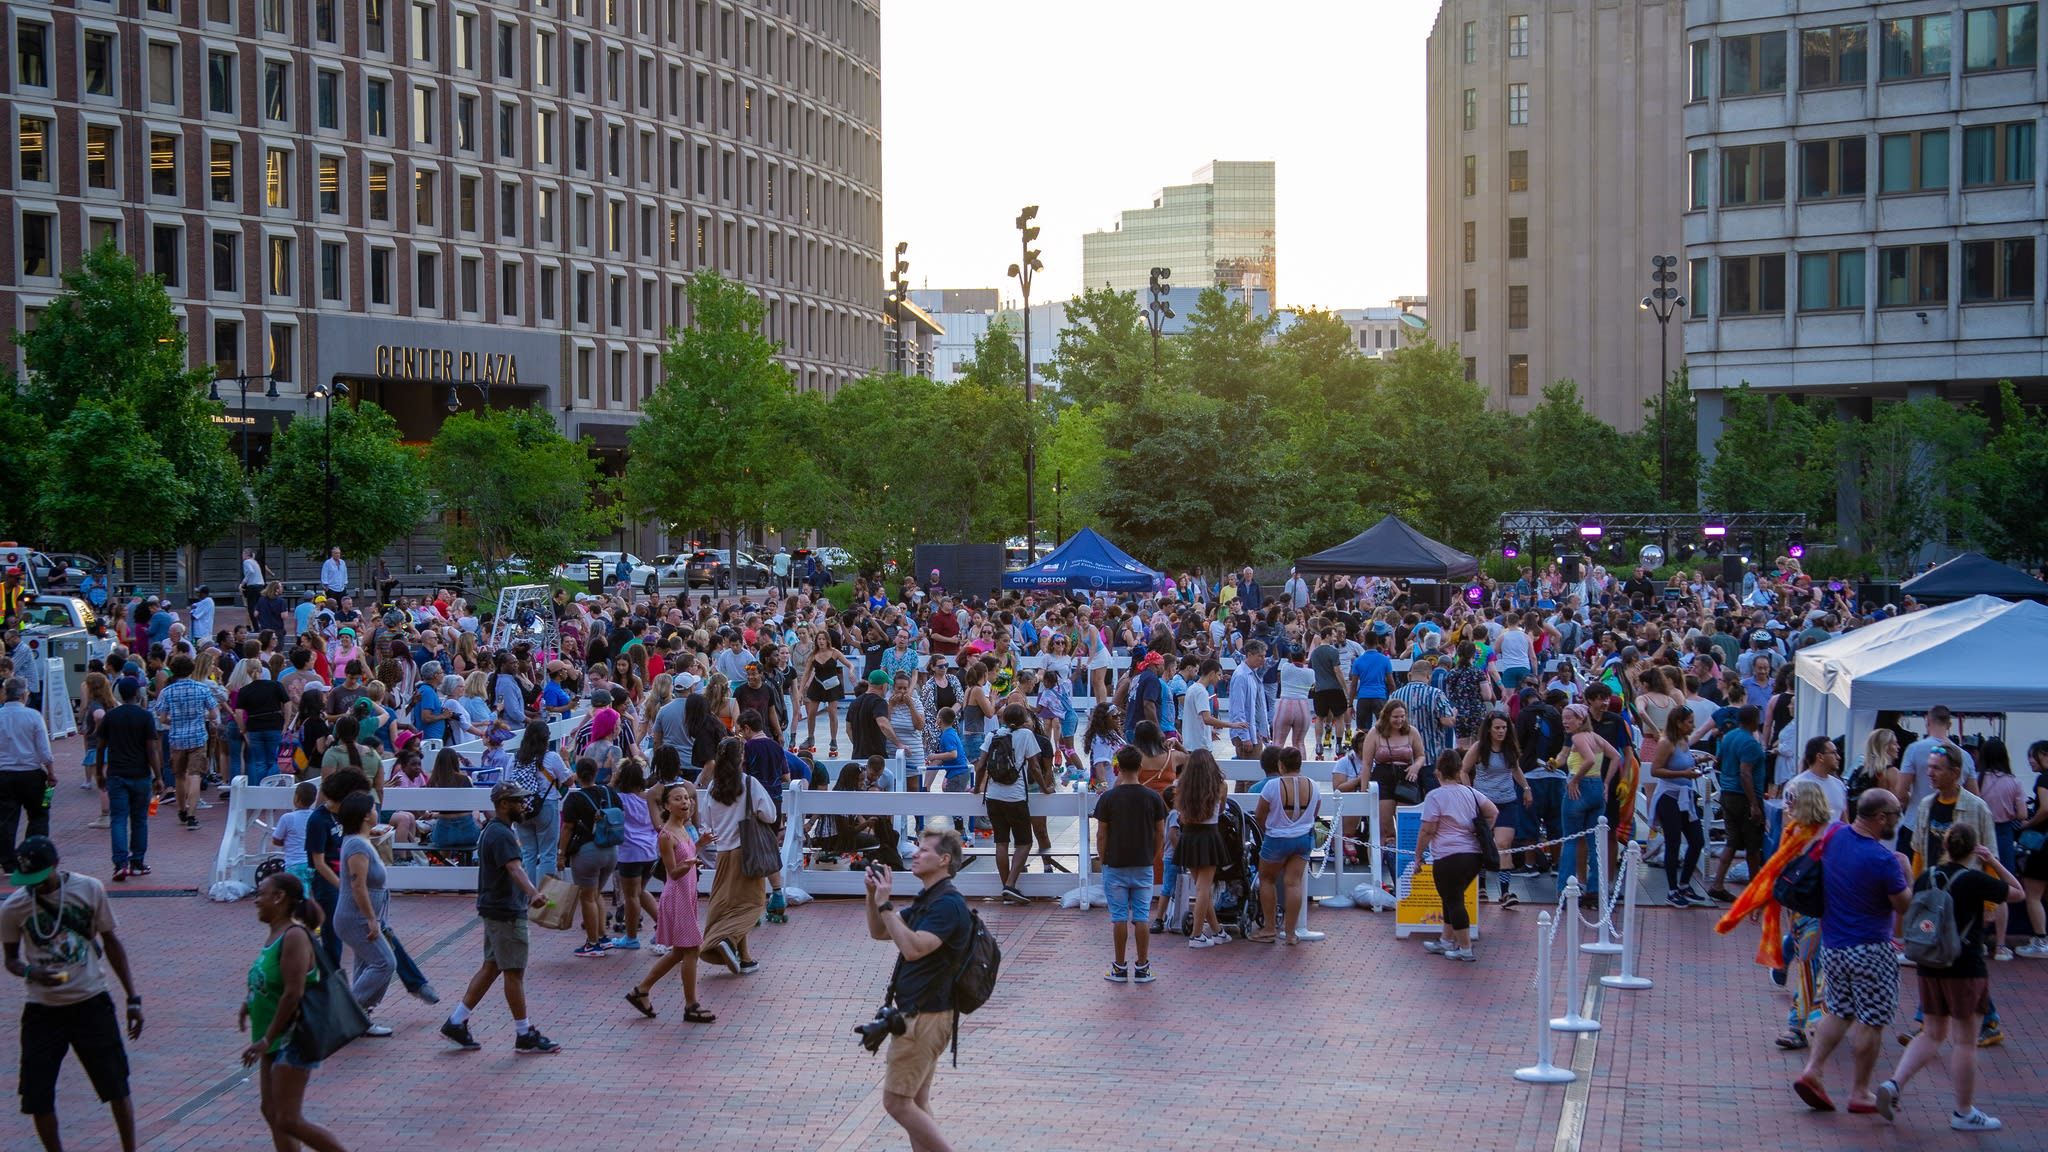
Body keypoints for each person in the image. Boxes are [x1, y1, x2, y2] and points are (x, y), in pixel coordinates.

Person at [1875, 823, 2023, 1131]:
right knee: (1965, 1042)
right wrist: (1993, 861)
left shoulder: (1928, 875)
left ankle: (1894, 1083)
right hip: (1965, 967)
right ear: (1973, 849)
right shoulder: (1975, 880)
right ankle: (1963, 1111)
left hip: (1930, 962)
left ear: (1945, 846)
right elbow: (2018, 893)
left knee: (1931, 1032)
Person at [2, 837, 144, 1152]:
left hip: (91, 1001)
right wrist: (30, 972)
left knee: (116, 1085)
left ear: (55, 865)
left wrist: (133, 999)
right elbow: (10, 959)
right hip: (42, 1008)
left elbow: (111, 942)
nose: (34, 887)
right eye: (28, 881)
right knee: (37, 1094)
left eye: (40, 879)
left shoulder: (89, 889)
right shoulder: (14, 907)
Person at [1794, 790, 1911, 1116]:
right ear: (1881, 818)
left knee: (1840, 1011)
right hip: (1871, 948)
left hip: (1835, 946)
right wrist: (1907, 875)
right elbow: (1904, 906)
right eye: (1895, 815)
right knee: (1872, 1022)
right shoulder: (1884, 860)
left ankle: (1813, 1069)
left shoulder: (1834, 835)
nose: (1896, 822)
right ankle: (1860, 1091)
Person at [864, 829, 972, 1152]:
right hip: (920, 1012)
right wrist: (873, 897)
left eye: (923, 850)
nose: (915, 853)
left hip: (926, 1016)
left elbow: (913, 949)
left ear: (944, 860)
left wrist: (885, 906)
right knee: (916, 1101)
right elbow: (880, 931)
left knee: (896, 1102)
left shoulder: (948, 905)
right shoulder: (929, 900)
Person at [440, 782, 559, 1053]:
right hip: (506, 911)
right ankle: (524, 1033)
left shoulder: (493, 830)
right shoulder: (502, 834)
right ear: (504, 804)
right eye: (518, 801)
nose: (523, 805)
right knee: (514, 971)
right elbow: (515, 868)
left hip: (494, 908)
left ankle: (457, 1021)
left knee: (492, 966)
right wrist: (533, 894)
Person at [1716, 778, 1834, 1051]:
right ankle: (1815, 1019)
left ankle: (1798, 1026)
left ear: (1807, 802)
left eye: (1792, 799)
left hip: (1820, 914)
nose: (1787, 804)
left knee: (1810, 969)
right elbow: (1776, 871)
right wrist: (1761, 902)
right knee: (1811, 967)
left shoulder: (1829, 836)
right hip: (1798, 913)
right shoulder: (1793, 832)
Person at [238, 868, 347, 1152]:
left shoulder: (294, 935)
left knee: (287, 1118)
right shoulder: (275, 934)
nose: (255, 900)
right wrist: (248, 1004)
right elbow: (271, 980)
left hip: (292, 1037)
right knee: (272, 1112)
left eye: (260, 894)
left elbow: (293, 991)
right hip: (273, 1037)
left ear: (279, 897)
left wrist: (266, 1038)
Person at [624, 781, 714, 1023]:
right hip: (678, 896)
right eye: (678, 799)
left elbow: (687, 853)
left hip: (688, 895)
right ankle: (691, 1004)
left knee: (679, 952)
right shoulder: (666, 835)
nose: (685, 802)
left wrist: (699, 846)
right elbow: (672, 872)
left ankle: (641, 990)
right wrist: (686, 865)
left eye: (686, 798)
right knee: (691, 949)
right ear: (666, 805)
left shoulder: (684, 830)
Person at [698, 736, 774, 976]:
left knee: (728, 904)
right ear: (741, 757)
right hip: (747, 852)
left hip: (723, 854)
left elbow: (706, 821)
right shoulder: (749, 783)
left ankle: (744, 956)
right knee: (752, 904)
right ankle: (726, 939)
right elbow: (769, 814)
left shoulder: (713, 787)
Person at [1414, 750, 1497, 961]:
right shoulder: (1470, 792)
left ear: (1438, 773)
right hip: (1473, 855)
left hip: (1448, 854)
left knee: (1454, 900)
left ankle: (1465, 947)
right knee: (1452, 897)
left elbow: (1428, 830)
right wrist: (1481, 831)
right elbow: (1493, 811)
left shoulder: (1435, 796)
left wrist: (1418, 855)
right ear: (1460, 771)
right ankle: (1446, 940)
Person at [1096, 745, 1168, 983]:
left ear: (1118, 768)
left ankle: (1118, 966)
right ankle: (1142, 966)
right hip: (1143, 862)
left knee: (1118, 917)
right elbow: (1160, 833)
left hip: (1115, 863)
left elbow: (1101, 834)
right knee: (1141, 916)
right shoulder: (1153, 798)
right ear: (1140, 767)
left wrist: (1103, 857)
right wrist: (1152, 854)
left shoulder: (1108, 798)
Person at [332, 793, 398, 1036]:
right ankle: (347, 1012)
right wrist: (371, 919)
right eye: (373, 808)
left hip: (361, 916)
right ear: (364, 815)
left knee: (366, 964)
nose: (376, 811)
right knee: (384, 962)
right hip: (355, 917)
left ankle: (361, 1018)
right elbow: (357, 885)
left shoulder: (360, 840)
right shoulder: (357, 845)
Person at [975, 702, 1043, 905]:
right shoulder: (1026, 735)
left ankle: (1006, 889)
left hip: (994, 796)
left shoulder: (992, 735)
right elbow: (1035, 767)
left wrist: (977, 787)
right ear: (1023, 720)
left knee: (1001, 842)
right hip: (1015, 796)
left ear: (1003, 719)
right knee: (1025, 842)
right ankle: (1010, 885)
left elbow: (980, 765)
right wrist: (1046, 788)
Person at [1251, 746, 1319, 944]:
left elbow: (1260, 814)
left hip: (1277, 838)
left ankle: (1269, 928)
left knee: (1267, 879)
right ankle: (1290, 934)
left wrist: (1266, 830)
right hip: (1303, 838)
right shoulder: (1313, 785)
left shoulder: (1273, 786)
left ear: (1281, 765)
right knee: (1294, 882)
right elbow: (1315, 811)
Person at [1648, 708, 1711, 907]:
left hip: (1685, 797)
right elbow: (1655, 770)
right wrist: (1683, 773)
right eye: (1690, 722)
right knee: (1673, 842)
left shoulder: (1684, 741)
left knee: (1697, 840)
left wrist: (1700, 760)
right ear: (1678, 723)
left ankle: (1684, 884)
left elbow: (1685, 761)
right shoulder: (1666, 742)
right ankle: (1672, 889)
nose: (1693, 726)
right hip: (1669, 798)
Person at [558, 756, 621, 958]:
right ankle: (602, 937)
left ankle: (592, 943)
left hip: (587, 851)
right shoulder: (609, 792)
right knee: (596, 894)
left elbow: (567, 828)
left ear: (577, 775)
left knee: (588, 897)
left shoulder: (574, 799)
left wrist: (561, 853)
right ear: (595, 772)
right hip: (611, 850)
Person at [1463, 713, 1527, 907]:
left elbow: (1515, 769)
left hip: (1507, 801)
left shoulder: (1510, 749)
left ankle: (1505, 892)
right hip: (1484, 802)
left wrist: (1526, 788)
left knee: (1503, 844)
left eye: (1504, 728)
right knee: (1483, 844)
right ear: (1489, 729)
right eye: (1497, 728)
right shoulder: (1479, 748)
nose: (1501, 731)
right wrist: (1470, 794)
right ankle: (1481, 886)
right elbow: (1464, 769)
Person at [1707, 705, 1768, 903]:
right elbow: (1745, 772)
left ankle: (1717, 884)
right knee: (1753, 845)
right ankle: (1754, 889)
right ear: (1754, 720)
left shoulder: (1729, 736)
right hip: (1744, 797)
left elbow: (1718, 762)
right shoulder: (1750, 743)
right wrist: (1754, 805)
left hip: (1727, 794)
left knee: (1732, 841)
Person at [98, 678, 158, 881]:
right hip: (140, 774)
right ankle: (137, 862)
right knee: (140, 819)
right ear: (138, 693)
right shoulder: (145, 716)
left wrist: (99, 772)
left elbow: (101, 746)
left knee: (119, 819)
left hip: (116, 773)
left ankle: (120, 864)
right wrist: (158, 775)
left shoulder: (111, 716)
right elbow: (151, 749)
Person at [150, 656, 218, 831]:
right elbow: (213, 713)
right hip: (197, 736)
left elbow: (162, 717)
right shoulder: (202, 688)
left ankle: (181, 809)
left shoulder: (167, 691)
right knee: (195, 775)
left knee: (179, 776)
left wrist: (176, 721)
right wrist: (200, 717)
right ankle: (192, 815)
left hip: (177, 738)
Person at [0, 678, 57, 876]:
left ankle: (7, 862)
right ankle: (34, 856)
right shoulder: (33, 716)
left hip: (4, 774)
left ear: (5, 693)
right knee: (38, 815)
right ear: (24, 694)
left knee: (6, 819)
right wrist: (50, 772)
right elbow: (44, 750)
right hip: (31, 773)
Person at [1174, 750, 1231, 945]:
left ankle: (1217, 930)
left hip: (1189, 835)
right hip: (1209, 835)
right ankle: (1196, 935)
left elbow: (1179, 814)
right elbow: (1222, 809)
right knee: (1203, 888)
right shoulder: (1220, 786)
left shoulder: (1181, 786)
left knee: (1201, 887)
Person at [506, 721, 568, 883]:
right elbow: (568, 780)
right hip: (546, 804)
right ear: (546, 739)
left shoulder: (515, 759)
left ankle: (528, 895)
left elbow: (507, 783)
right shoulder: (551, 757)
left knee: (528, 853)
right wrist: (567, 761)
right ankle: (544, 896)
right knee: (548, 853)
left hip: (522, 807)